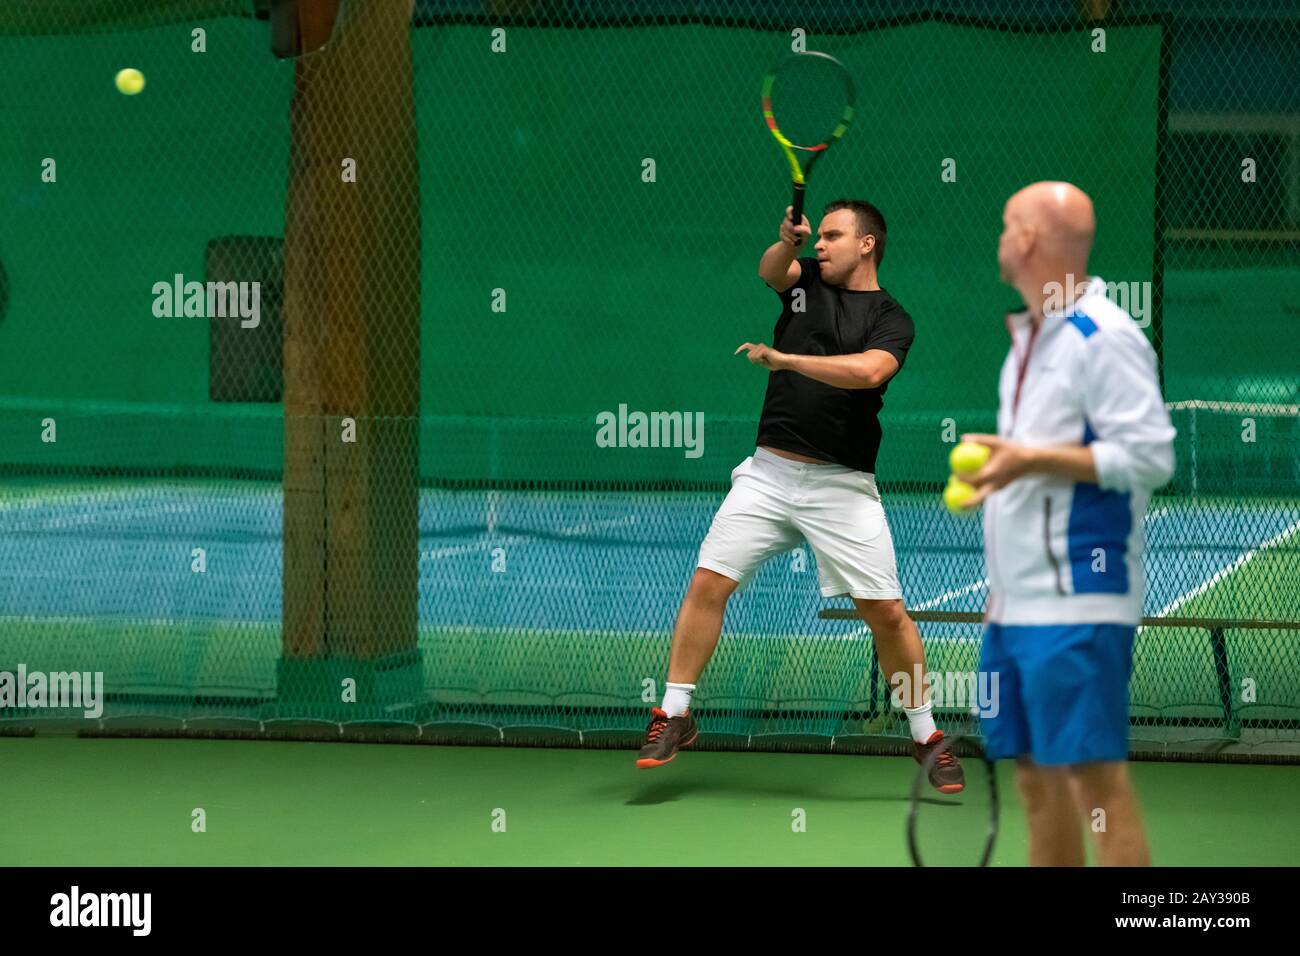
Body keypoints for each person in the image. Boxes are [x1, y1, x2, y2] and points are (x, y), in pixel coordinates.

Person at [636, 199, 964, 794]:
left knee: (886, 613)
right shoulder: (803, 284)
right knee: (709, 582)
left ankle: (927, 737)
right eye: (820, 236)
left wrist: (786, 359)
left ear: (867, 244)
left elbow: (869, 373)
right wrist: (786, 241)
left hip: (843, 485)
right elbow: (770, 271)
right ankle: (674, 714)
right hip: (770, 473)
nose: (822, 245)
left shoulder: (893, 318)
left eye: (833, 236)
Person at [961, 181, 1175, 865]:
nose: (998, 239)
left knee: (1095, 785)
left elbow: (1150, 454)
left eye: (1004, 226)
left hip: (1079, 595)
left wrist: (1027, 460)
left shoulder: (1102, 336)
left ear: (1026, 239)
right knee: (1033, 778)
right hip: (1014, 604)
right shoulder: (1030, 338)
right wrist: (1011, 471)